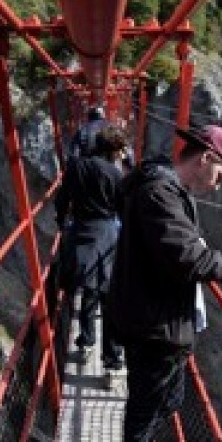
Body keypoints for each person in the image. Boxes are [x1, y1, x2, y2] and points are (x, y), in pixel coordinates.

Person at [108, 124, 222, 442]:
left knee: (169, 402)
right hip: (154, 329)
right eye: (220, 176)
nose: (218, 186)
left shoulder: (162, 187)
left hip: (151, 319)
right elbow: (190, 259)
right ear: (206, 157)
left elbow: (177, 248)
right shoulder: (160, 193)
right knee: (139, 425)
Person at [55, 125, 129, 382]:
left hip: (82, 231)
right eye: (122, 150)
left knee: (88, 289)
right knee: (110, 298)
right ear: (114, 149)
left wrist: (61, 221)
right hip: (108, 235)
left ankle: (85, 342)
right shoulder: (116, 175)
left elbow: (62, 199)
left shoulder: (76, 166)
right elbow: (124, 210)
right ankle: (112, 362)